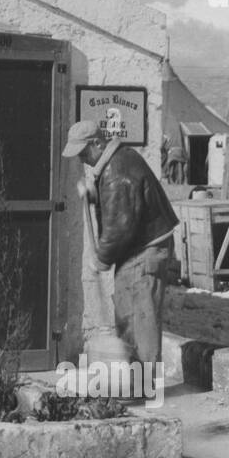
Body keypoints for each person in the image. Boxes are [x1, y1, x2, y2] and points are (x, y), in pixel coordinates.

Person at [62, 120, 179, 367]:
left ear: (96, 143)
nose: (82, 159)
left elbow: (120, 226)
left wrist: (101, 259)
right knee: (128, 317)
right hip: (138, 251)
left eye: (84, 153)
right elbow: (123, 208)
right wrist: (95, 196)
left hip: (145, 252)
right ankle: (134, 380)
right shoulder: (118, 161)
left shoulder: (117, 171)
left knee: (141, 322)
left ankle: (145, 385)